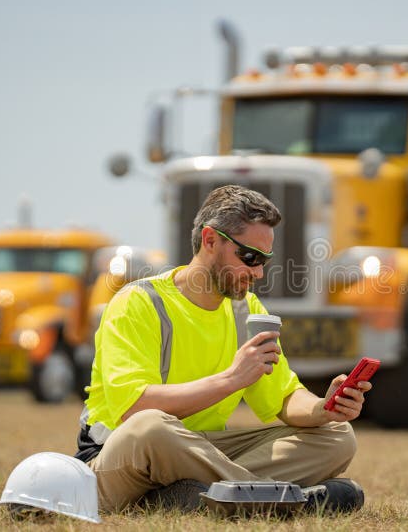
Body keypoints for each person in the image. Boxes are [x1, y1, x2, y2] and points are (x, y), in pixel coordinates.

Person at [75, 185, 371, 513]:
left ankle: (195, 496)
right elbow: (134, 409)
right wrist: (231, 379)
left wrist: (323, 409)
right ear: (210, 240)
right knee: (152, 426)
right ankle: (286, 500)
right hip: (123, 453)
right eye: (250, 257)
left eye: (265, 260)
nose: (258, 272)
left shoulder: (248, 311)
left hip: (198, 454)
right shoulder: (138, 303)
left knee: (337, 437)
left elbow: (284, 397)